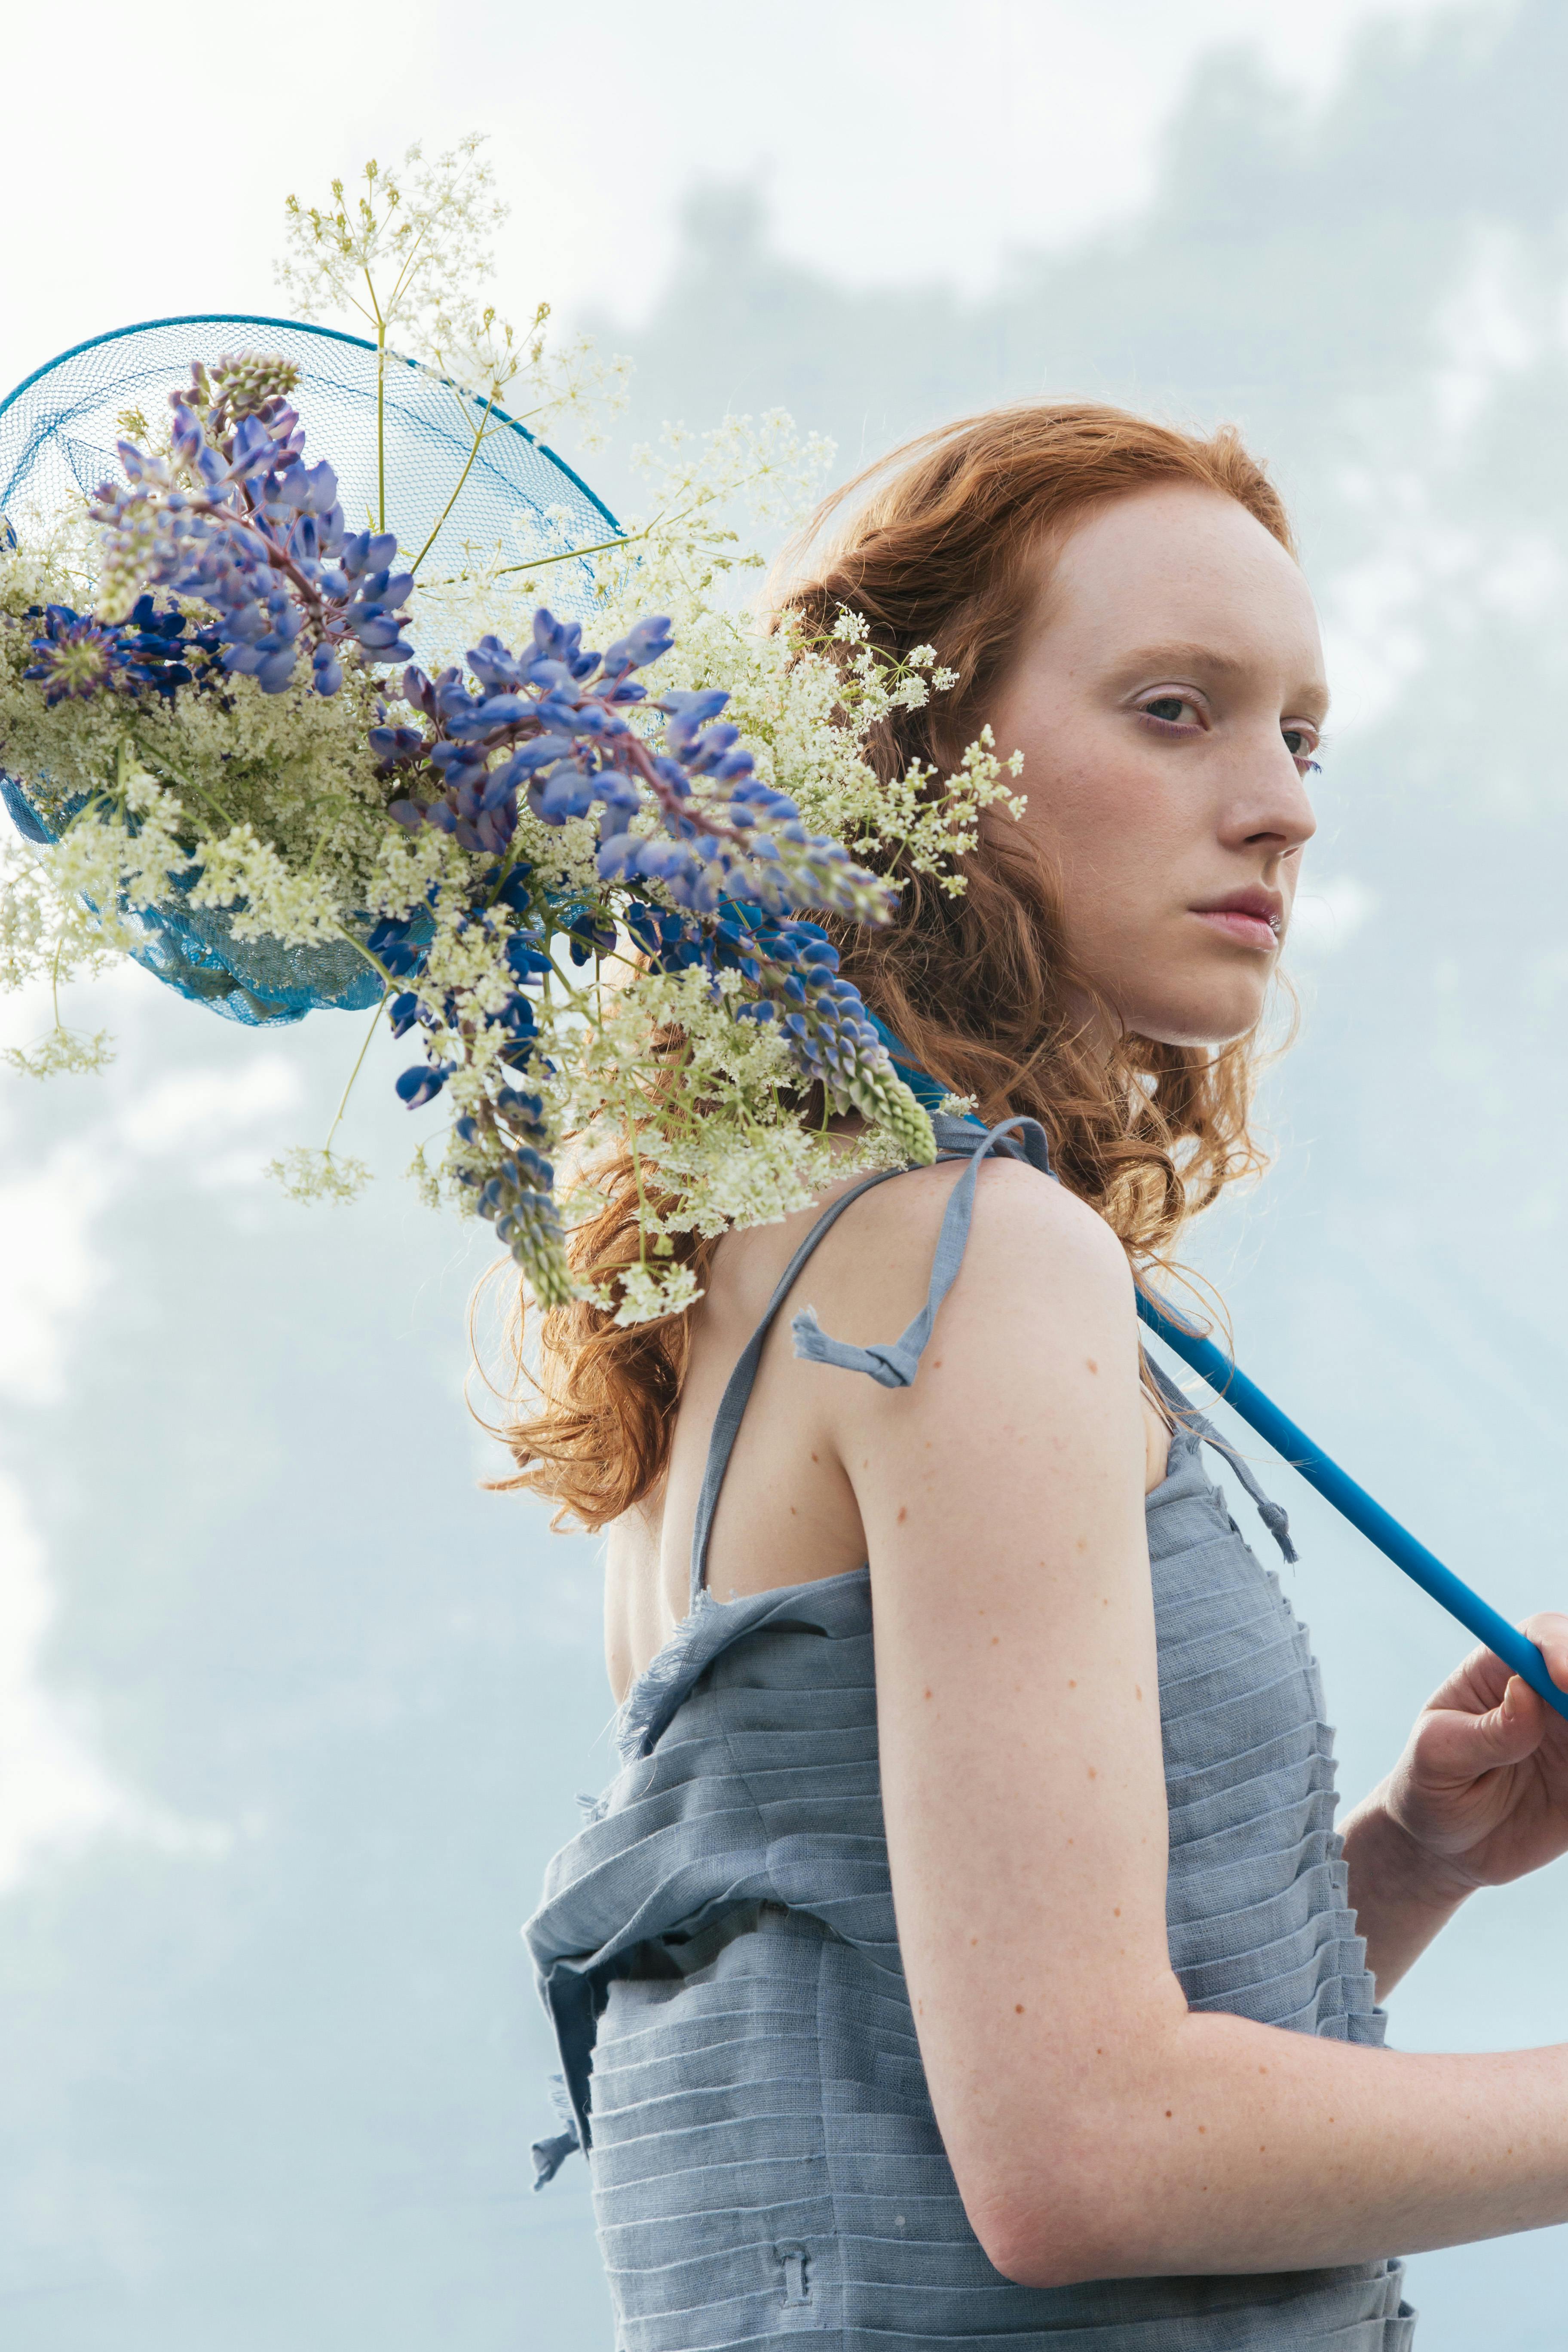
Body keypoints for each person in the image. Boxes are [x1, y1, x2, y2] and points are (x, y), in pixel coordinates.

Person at [511, 404, 1568, 2349]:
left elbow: (926, 2054)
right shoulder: (972, 1267)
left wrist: (1411, 1864)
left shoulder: (731, 1282)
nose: (1284, 806)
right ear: (912, 754)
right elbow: (1089, 2156)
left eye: (1301, 735)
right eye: (1177, 710)